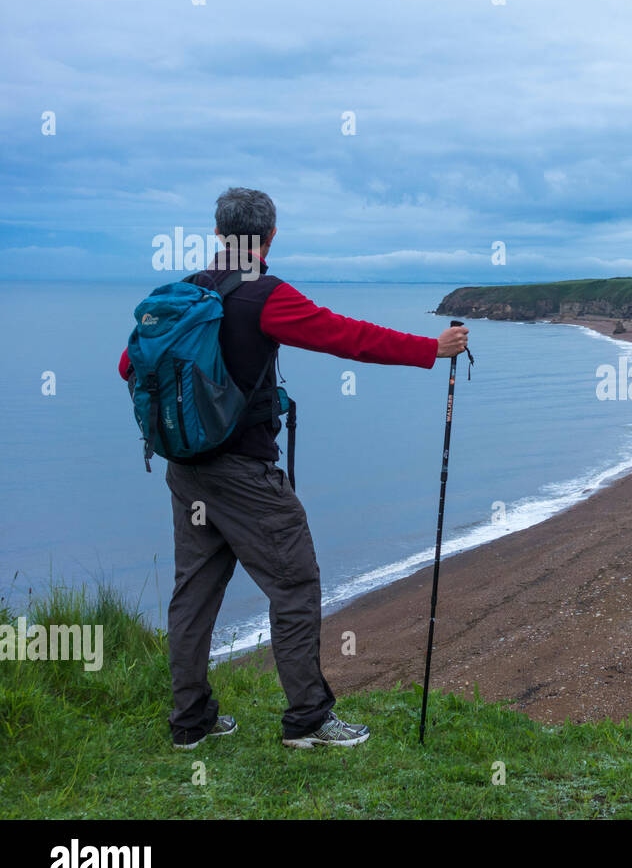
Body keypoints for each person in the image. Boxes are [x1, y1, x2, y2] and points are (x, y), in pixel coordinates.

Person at [118, 187, 469, 750]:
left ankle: (191, 722)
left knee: (194, 593)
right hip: (244, 477)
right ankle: (307, 720)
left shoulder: (181, 296)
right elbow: (347, 337)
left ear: (217, 234)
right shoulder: (267, 298)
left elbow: (128, 366)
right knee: (296, 583)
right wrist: (432, 350)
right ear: (271, 237)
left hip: (186, 472)